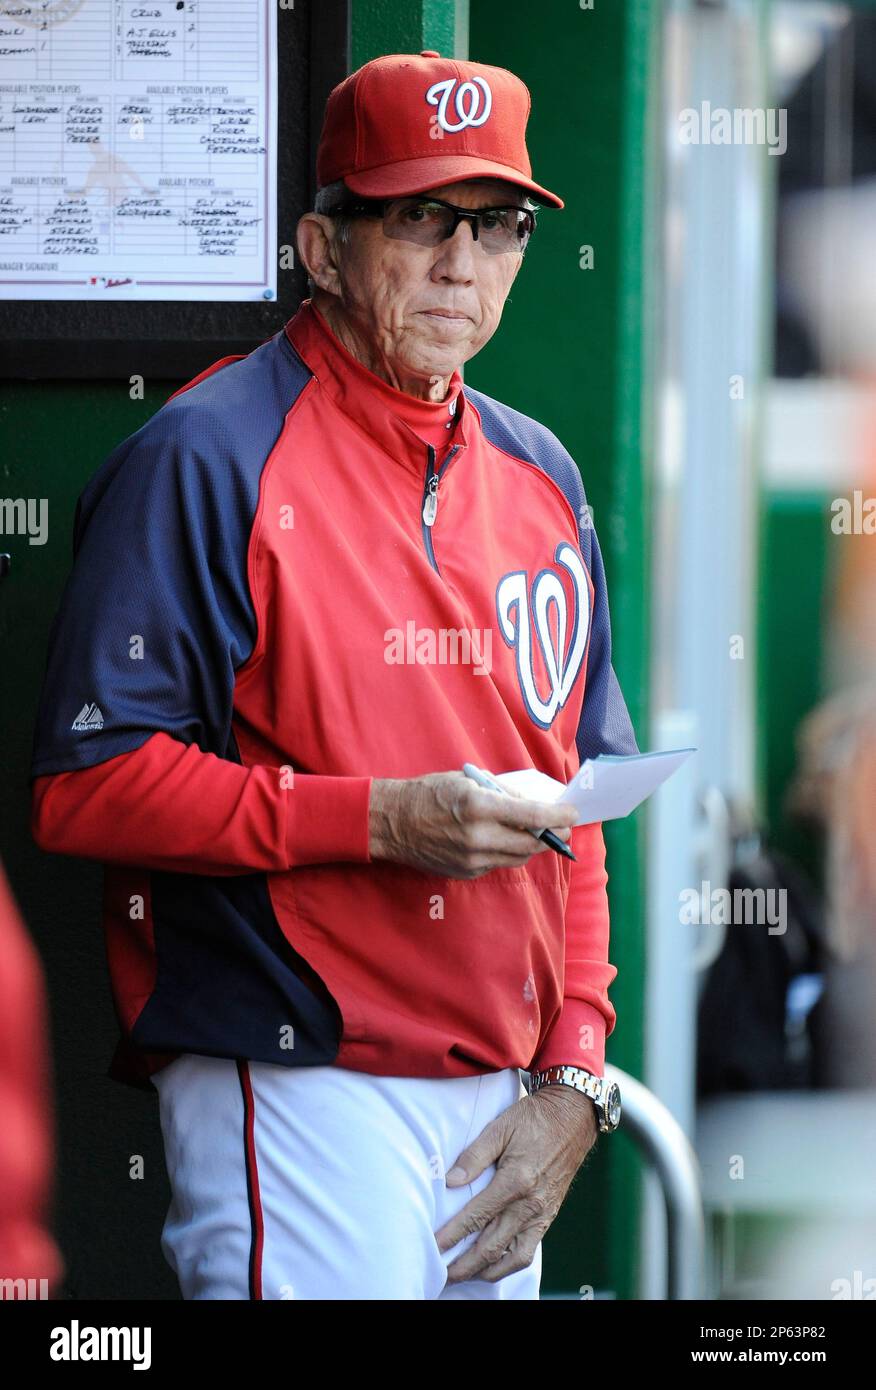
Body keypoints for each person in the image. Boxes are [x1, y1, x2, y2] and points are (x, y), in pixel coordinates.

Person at [29, 50, 638, 1300]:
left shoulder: (542, 477)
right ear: (323, 245)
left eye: (498, 225)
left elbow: (576, 806)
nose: (460, 265)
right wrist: (375, 818)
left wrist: (576, 1070)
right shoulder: (207, 453)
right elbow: (83, 787)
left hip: (500, 1103)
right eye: (418, 218)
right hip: (296, 1073)